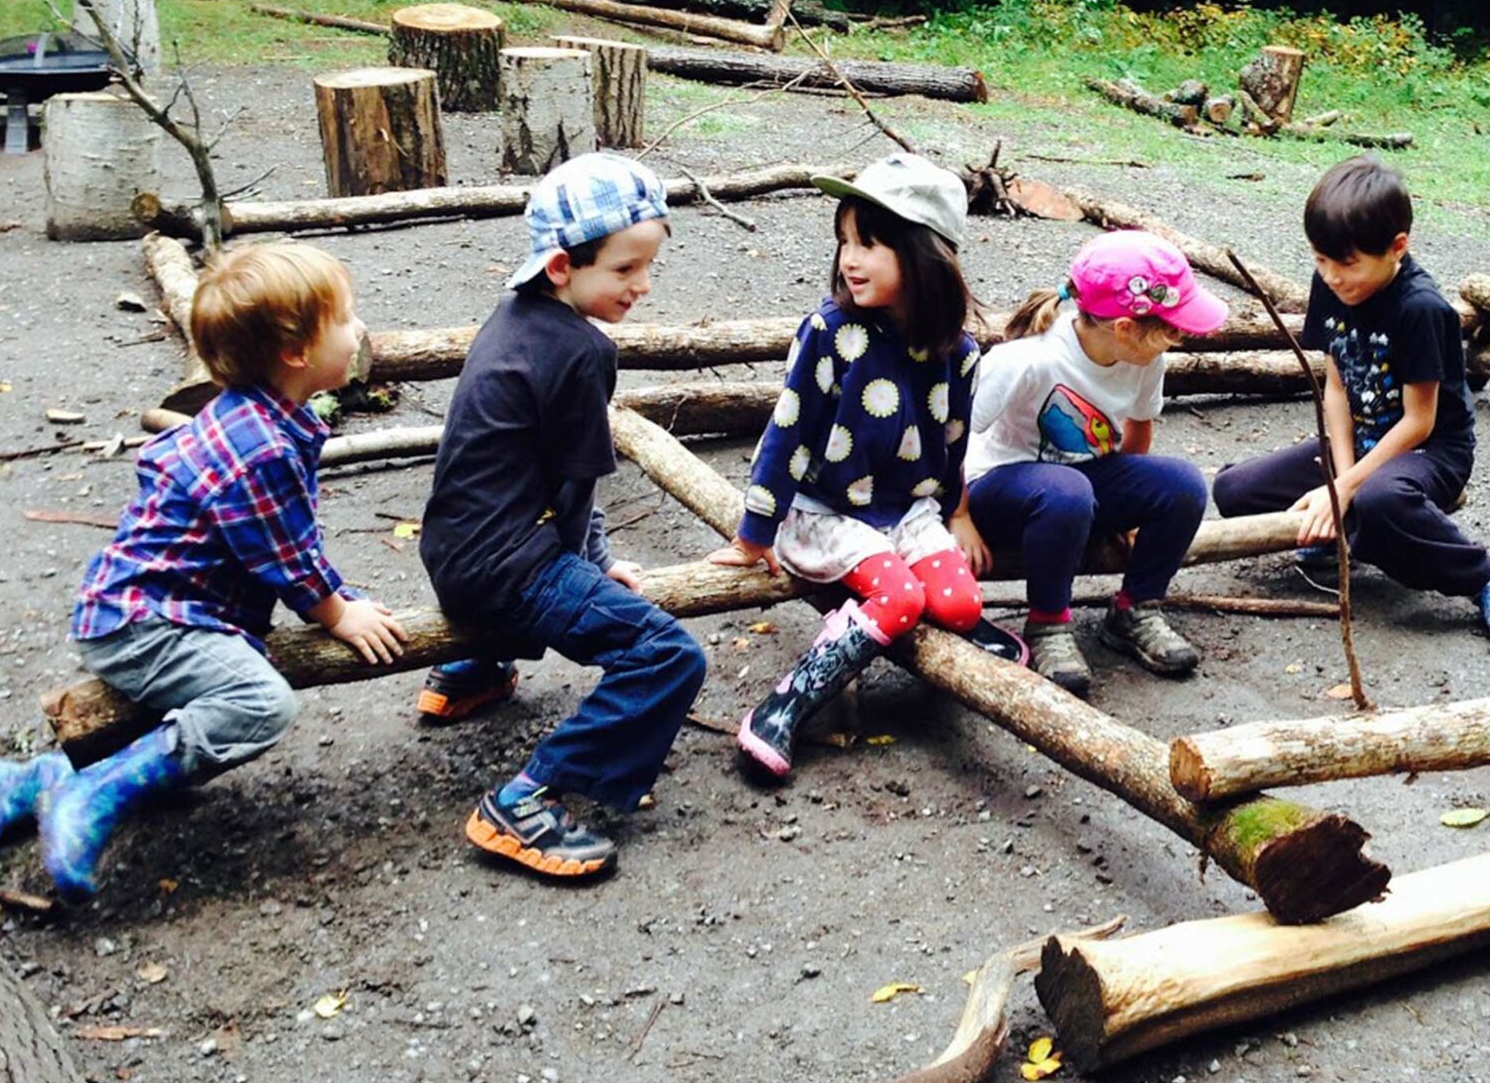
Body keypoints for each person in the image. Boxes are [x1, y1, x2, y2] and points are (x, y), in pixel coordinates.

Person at [0, 242, 408, 901]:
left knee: (209, 691)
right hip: (149, 625)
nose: (361, 330)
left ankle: (22, 784)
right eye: (346, 320)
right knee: (258, 703)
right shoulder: (260, 447)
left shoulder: (264, 418)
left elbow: (286, 543)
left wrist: (338, 595)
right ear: (296, 353)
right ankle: (91, 797)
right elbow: (285, 557)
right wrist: (340, 613)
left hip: (148, 611)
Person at [416, 153, 708, 881]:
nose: (641, 286)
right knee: (669, 655)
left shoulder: (515, 318)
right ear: (559, 267)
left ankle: (471, 668)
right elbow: (574, 486)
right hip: (510, 570)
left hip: (453, 553)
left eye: (648, 267)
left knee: (562, 572)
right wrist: (593, 566)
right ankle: (526, 798)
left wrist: (583, 558)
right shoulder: (583, 351)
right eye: (623, 271)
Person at [711, 151, 1027, 779]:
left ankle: (901, 624)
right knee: (901, 599)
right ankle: (790, 702)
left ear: (925, 255)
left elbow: (952, 442)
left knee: (960, 604)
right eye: (845, 242)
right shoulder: (830, 333)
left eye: (869, 244)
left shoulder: (957, 350)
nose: (849, 259)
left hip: (903, 512)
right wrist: (755, 535)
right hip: (823, 511)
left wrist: (954, 513)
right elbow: (787, 432)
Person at [1212, 154, 1490, 645]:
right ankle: (1346, 533)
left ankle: (1483, 578)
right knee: (1234, 491)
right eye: (1320, 260)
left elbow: (1419, 423)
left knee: (1380, 500)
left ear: (1396, 248)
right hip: (1360, 447)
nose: (1333, 276)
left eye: (1347, 263)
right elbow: (1338, 387)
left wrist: (1344, 491)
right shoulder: (1333, 287)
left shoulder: (1422, 309)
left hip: (1429, 452)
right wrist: (1340, 482)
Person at [952, 231, 1222, 692]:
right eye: (1170, 330)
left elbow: (1138, 430)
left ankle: (1135, 609)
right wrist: (957, 515)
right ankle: (1049, 625)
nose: (1175, 340)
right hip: (995, 488)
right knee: (1066, 492)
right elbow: (948, 436)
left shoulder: (1143, 357)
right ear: (1124, 328)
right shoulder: (1028, 359)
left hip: (1078, 488)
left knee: (1183, 485)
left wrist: (1132, 509)